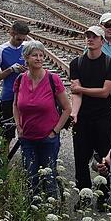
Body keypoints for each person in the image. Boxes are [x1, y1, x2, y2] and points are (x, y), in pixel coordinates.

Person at [12, 40, 72, 197]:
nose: (38, 58)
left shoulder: (53, 79)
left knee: (49, 177)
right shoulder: (20, 80)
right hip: (27, 138)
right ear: (26, 58)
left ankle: (52, 211)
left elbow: (67, 108)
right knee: (31, 178)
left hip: (48, 138)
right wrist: (18, 126)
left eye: (41, 55)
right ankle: (34, 211)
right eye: (34, 55)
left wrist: (55, 131)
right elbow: (15, 105)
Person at [69, 25, 111, 189]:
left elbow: (105, 92)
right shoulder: (76, 63)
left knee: (104, 156)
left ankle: (104, 194)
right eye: (88, 36)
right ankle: (83, 193)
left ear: (102, 40)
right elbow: (76, 94)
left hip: (102, 117)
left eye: (94, 36)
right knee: (80, 157)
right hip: (82, 117)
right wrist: (74, 113)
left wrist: (81, 89)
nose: (90, 39)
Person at [0, 21, 30, 140]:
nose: (20, 42)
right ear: (11, 33)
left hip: (27, 95)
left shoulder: (27, 47)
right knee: (6, 134)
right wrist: (10, 70)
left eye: (23, 40)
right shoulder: (1, 50)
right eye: (18, 39)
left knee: (28, 133)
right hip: (9, 95)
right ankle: (4, 157)